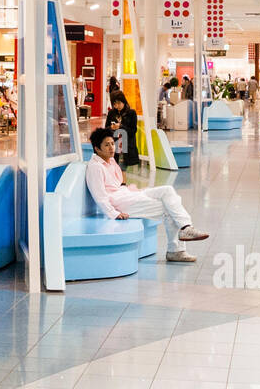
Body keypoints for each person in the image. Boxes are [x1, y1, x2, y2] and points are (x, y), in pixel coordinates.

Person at [86, 128, 207, 263]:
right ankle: (176, 250)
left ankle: (186, 227)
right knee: (168, 208)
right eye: (106, 145)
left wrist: (130, 190)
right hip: (121, 202)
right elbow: (100, 196)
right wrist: (114, 213)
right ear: (97, 148)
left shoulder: (110, 161)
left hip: (126, 194)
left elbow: (118, 183)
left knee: (167, 190)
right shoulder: (95, 167)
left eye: (112, 144)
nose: (111, 148)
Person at [104, 91, 140, 169]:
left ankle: (122, 181)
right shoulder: (111, 113)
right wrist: (111, 128)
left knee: (122, 169)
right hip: (113, 146)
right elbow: (106, 129)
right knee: (112, 168)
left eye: (119, 103)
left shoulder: (131, 113)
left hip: (125, 147)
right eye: (115, 104)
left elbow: (133, 131)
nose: (117, 106)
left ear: (123, 101)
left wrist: (121, 126)